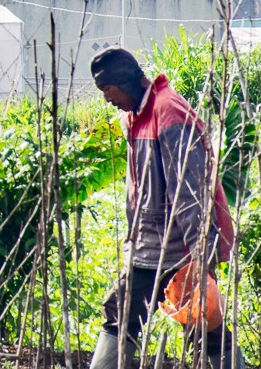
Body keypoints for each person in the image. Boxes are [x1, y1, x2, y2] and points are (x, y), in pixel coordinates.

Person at [89, 47, 238, 369]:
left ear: (122, 83)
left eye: (106, 89)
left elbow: (191, 192)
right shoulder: (137, 117)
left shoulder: (168, 113)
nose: (106, 99)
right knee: (125, 312)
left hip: (177, 249)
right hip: (151, 246)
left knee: (202, 325)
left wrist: (201, 254)